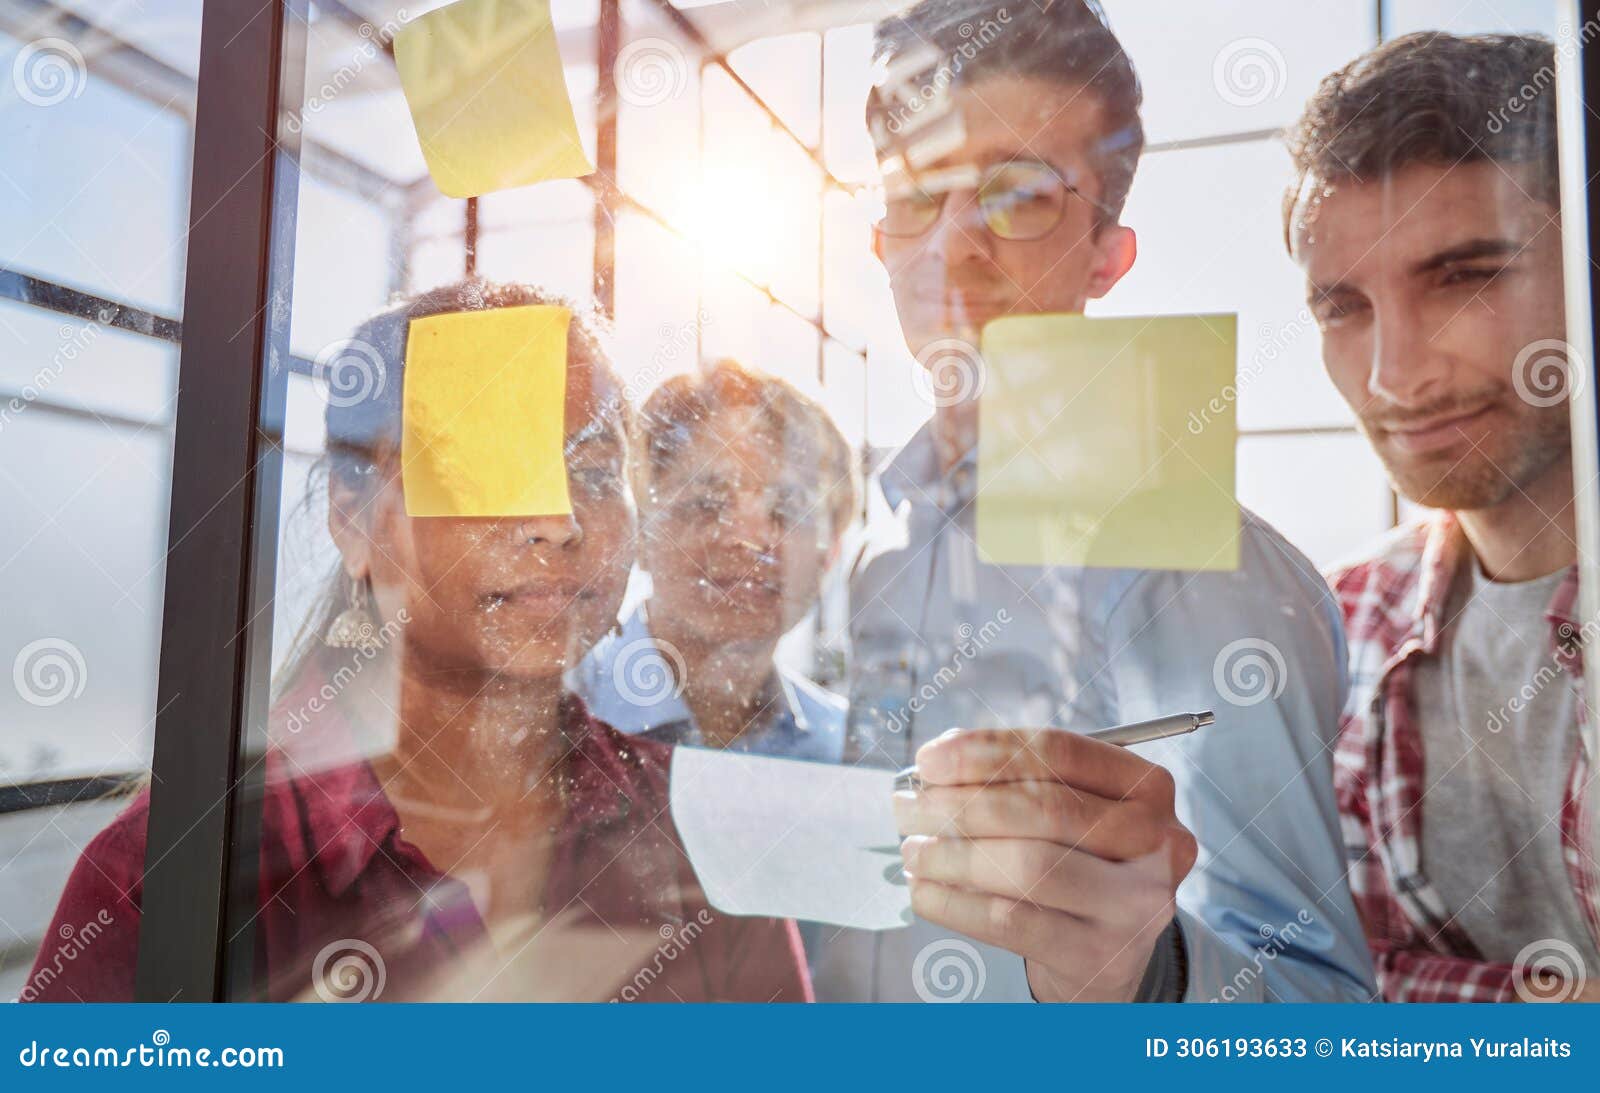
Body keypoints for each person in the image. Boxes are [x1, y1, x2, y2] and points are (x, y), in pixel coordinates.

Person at [24, 281, 809, 1003]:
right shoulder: (165, 878)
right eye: (489, 469)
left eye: (596, 472)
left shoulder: (704, 830)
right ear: (352, 515)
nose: (557, 520)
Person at [816, 0, 1376, 1002]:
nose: (954, 243)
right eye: (915, 191)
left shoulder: (1212, 571)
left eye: (1020, 192)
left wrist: (1150, 977)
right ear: (879, 237)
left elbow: (1323, 1013)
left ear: (1108, 256)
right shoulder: (879, 542)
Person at [1285, 33, 1600, 1002]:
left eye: (1464, 275)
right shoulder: (1333, 626)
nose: (1392, 376)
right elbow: (1317, 995)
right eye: (1342, 306)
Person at [574, 359, 857, 763]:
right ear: (639, 535)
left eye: (788, 509)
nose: (750, 538)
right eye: (706, 503)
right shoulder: (552, 720)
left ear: (831, 553)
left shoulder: (851, 755)